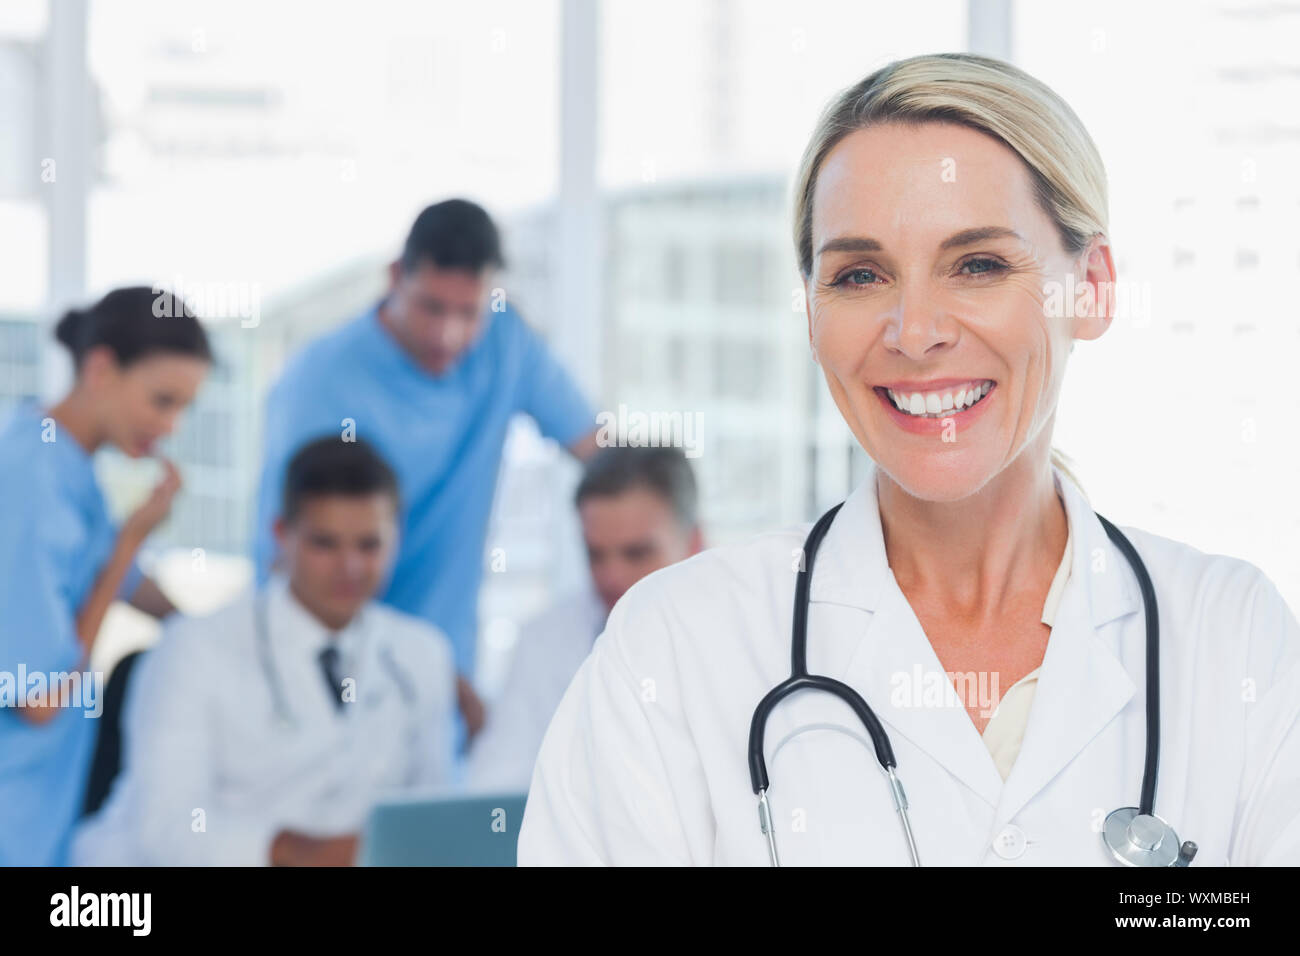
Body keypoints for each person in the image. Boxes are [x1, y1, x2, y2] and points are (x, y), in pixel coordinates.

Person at [518, 53, 1300, 866]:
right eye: (860, 275)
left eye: (979, 264)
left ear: (1092, 289)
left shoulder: (1231, 637)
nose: (915, 330)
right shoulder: (674, 649)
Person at [253, 199, 598, 741]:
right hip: (326, 676)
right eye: (431, 308)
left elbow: (602, 453)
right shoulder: (317, 383)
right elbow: (286, 565)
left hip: (444, 677)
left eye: (468, 313)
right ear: (395, 277)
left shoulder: (506, 342)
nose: (449, 336)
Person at [73, 436, 457, 866]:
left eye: (369, 545)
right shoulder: (192, 649)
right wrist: (314, 855)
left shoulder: (422, 653)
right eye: (325, 544)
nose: (350, 567)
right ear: (281, 535)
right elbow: (166, 830)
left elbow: (428, 823)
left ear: (398, 538)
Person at [0, 286, 211, 866]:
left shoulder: (68, 465)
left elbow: (110, 578)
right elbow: (38, 700)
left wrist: (211, 635)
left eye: (183, 408)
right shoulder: (29, 482)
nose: (170, 426)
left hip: (41, 810)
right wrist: (131, 539)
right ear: (101, 369)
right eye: (162, 400)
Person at [465, 446, 702, 791]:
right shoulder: (545, 640)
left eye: (636, 553)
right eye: (595, 554)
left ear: (694, 542)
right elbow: (494, 790)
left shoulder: (743, 636)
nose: (612, 577)